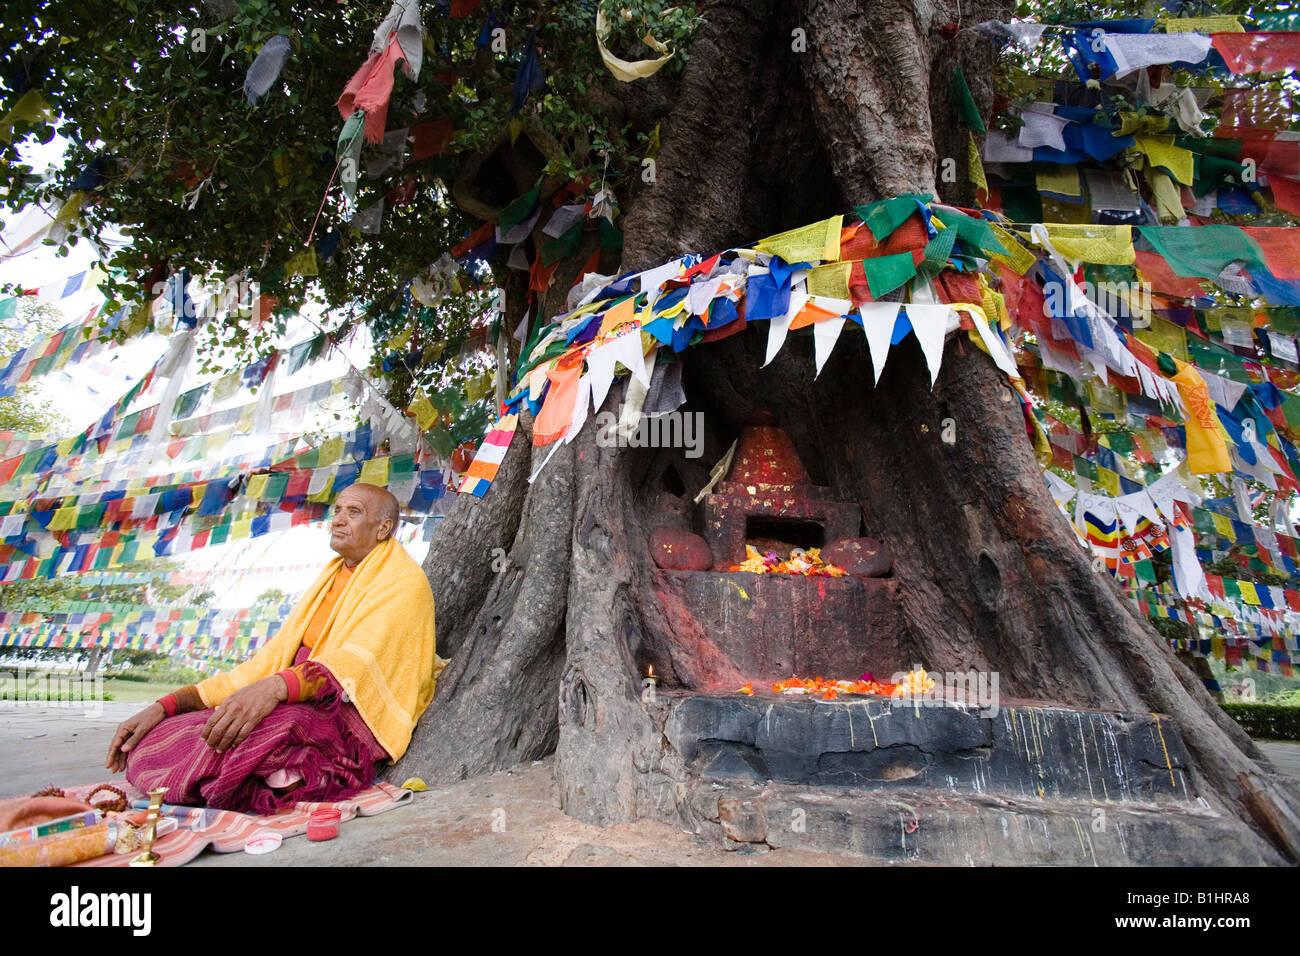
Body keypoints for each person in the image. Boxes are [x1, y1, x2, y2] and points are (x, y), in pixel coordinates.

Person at [105, 482, 444, 814]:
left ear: (384, 528)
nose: (338, 520)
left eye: (353, 512)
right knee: (163, 736)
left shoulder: (404, 580)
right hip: (297, 690)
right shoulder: (331, 575)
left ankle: (279, 773)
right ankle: (266, 777)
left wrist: (276, 688)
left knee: (277, 728)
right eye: (337, 510)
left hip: (344, 711)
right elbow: (265, 664)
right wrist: (166, 706)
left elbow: (355, 663)